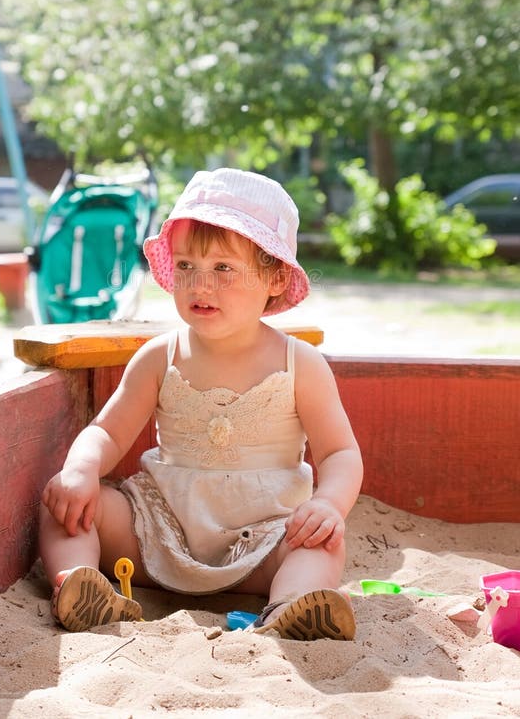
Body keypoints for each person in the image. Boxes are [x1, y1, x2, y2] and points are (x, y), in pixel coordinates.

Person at [39, 167, 364, 640]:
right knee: (62, 503)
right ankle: (78, 585)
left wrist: (329, 506)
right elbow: (107, 431)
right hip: (156, 534)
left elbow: (340, 453)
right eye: (186, 266)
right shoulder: (159, 357)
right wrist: (81, 471)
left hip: (261, 543)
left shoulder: (300, 365)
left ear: (273, 278)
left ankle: (290, 607)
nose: (199, 285)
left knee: (321, 545)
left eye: (222, 269)